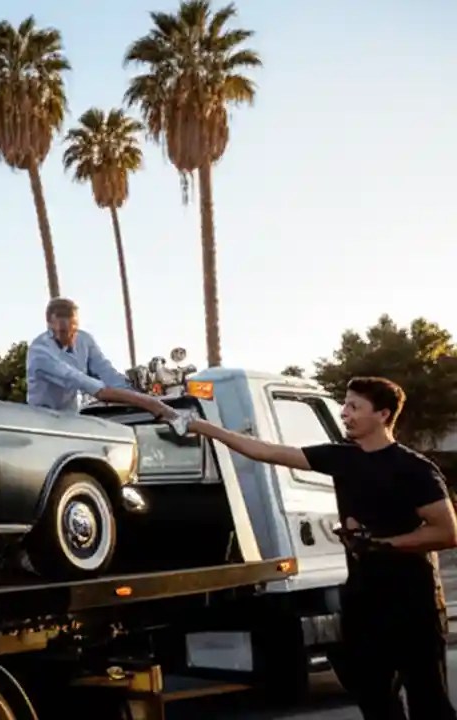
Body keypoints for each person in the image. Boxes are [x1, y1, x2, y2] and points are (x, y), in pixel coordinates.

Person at [182, 376, 457, 720]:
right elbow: (266, 451)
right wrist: (208, 428)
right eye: (345, 404)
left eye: (354, 407)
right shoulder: (341, 458)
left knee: (428, 701)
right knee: (372, 695)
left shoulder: (415, 469)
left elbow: (446, 533)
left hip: (413, 601)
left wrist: (381, 543)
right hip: (363, 598)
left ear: (383, 414)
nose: (344, 413)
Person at [25, 297, 177, 420]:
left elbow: (107, 373)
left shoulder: (85, 340)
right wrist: (148, 403)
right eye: (62, 331)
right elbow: (80, 380)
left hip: (71, 418)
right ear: (50, 327)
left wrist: (138, 393)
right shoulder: (40, 353)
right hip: (42, 420)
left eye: (73, 330)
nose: (69, 337)